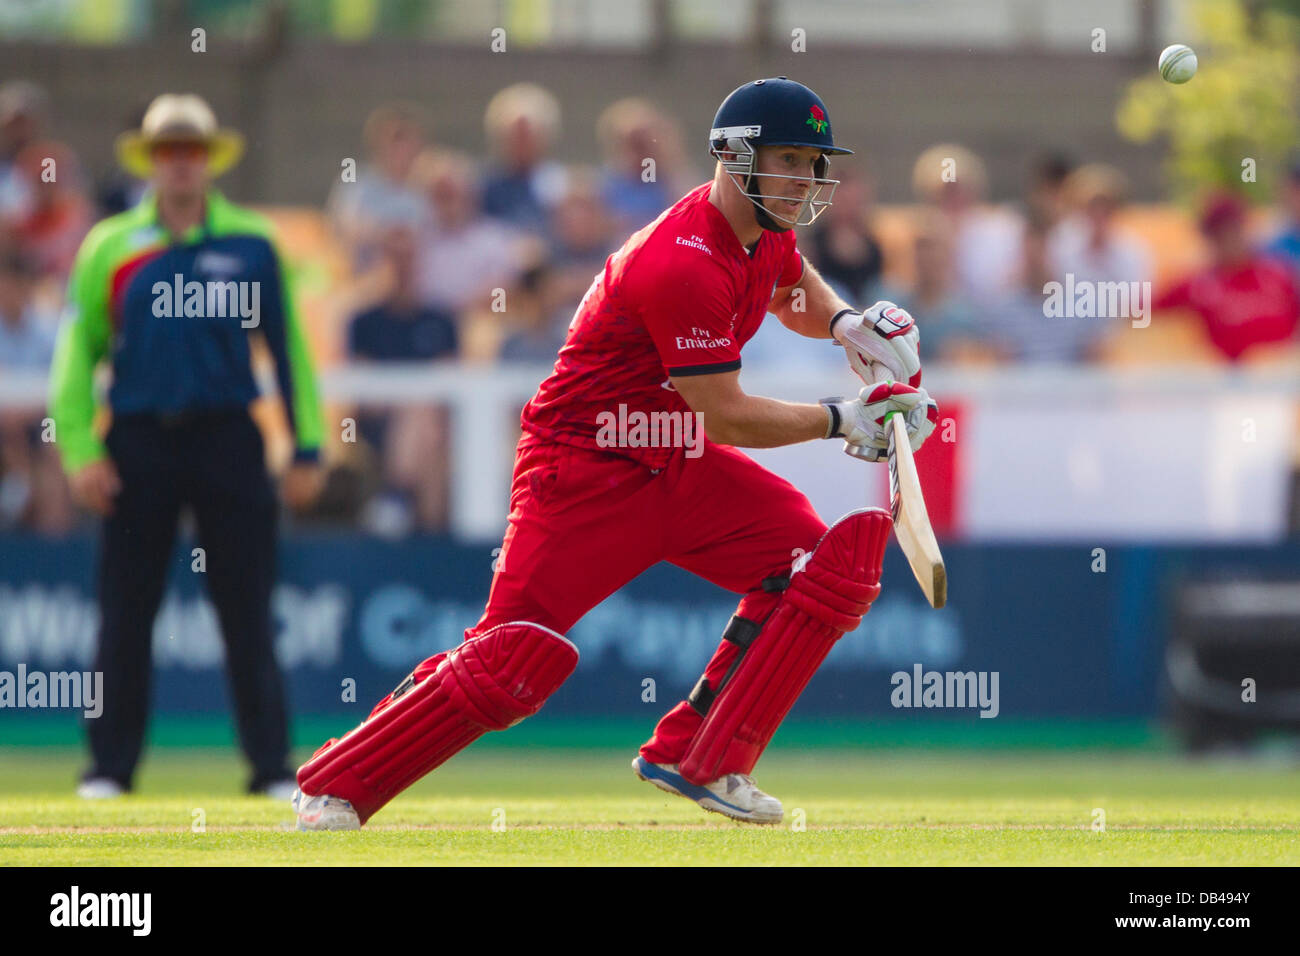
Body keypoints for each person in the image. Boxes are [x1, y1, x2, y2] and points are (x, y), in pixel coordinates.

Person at [293, 77, 938, 830]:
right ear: (735, 158)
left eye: (812, 163)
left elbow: (790, 288)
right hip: (584, 468)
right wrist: (842, 420)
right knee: (511, 658)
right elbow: (725, 415)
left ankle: (703, 755)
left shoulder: (764, 230)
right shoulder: (683, 261)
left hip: (675, 458)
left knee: (820, 565)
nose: (802, 180)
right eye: (787, 160)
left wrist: (847, 325)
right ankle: (336, 782)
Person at [48, 94, 325, 800]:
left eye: (191, 150)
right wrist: (81, 449)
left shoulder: (252, 244)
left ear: (208, 160)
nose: (179, 163)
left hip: (228, 436)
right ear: (149, 160)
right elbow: (77, 354)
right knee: (124, 610)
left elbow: (289, 350)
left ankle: (269, 766)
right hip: (139, 440)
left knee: (247, 606)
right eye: (167, 151)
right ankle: (108, 767)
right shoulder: (111, 246)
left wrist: (307, 446)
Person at [1153, 191, 1300, 362]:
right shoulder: (1198, 283)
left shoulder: (1278, 273)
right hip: (1227, 379)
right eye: (1220, 233)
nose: (1229, 239)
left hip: (1282, 377)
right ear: (1209, 237)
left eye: (1234, 230)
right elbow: (1146, 306)